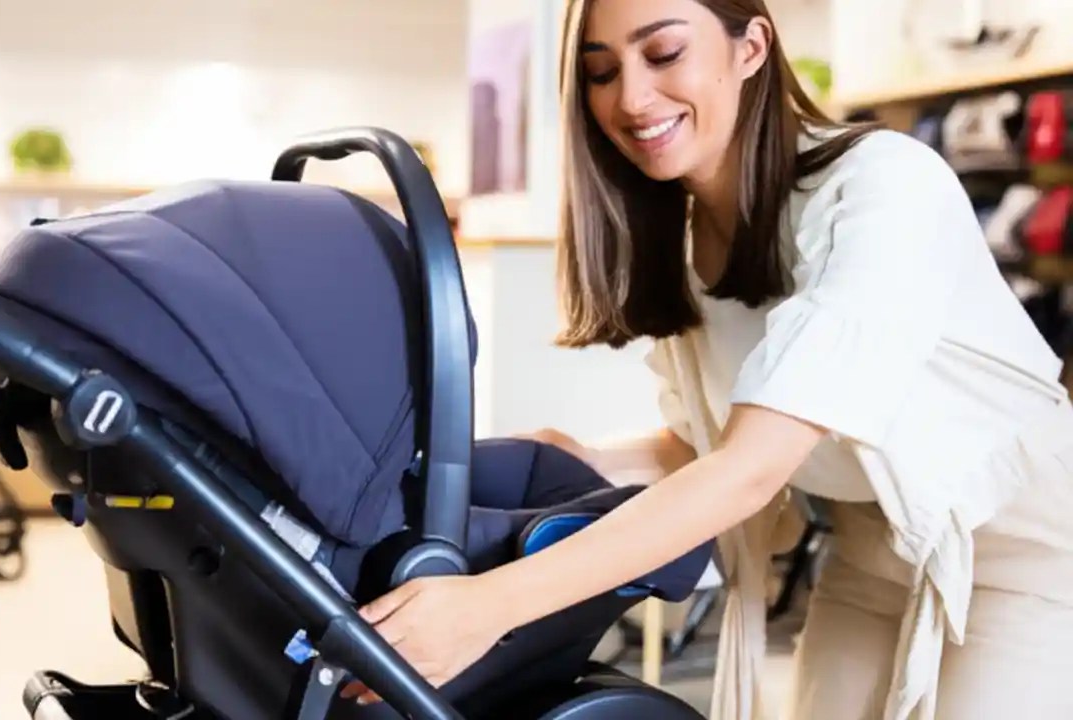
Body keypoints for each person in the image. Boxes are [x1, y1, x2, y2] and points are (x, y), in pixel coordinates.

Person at [343, 0, 1073, 718]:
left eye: (663, 54)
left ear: (751, 47)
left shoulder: (884, 186)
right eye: (601, 72)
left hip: (1018, 563)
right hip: (871, 562)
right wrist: (577, 456)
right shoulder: (691, 239)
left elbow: (750, 467)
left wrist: (488, 609)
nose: (630, 98)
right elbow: (701, 447)